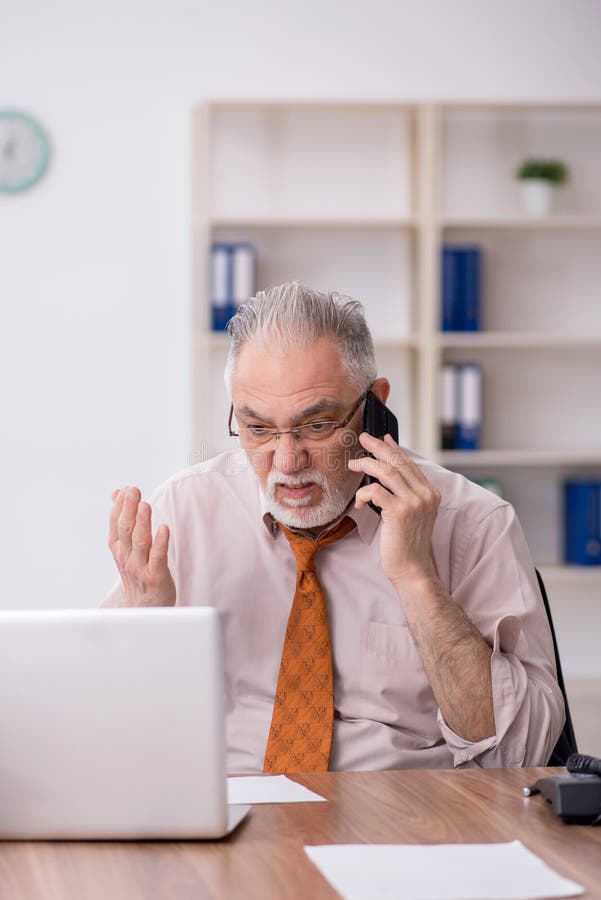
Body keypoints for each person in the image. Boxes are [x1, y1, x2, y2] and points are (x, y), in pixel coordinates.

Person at [104, 281, 564, 773]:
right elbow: (104, 732)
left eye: (317, 425)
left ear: (375, 406)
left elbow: (520, 757)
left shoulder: (473, 524)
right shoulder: (183, 513)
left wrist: (417, 580)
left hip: (403, 810)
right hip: (227, 804)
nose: (287, 461)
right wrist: (144, 627)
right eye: (258, 428)